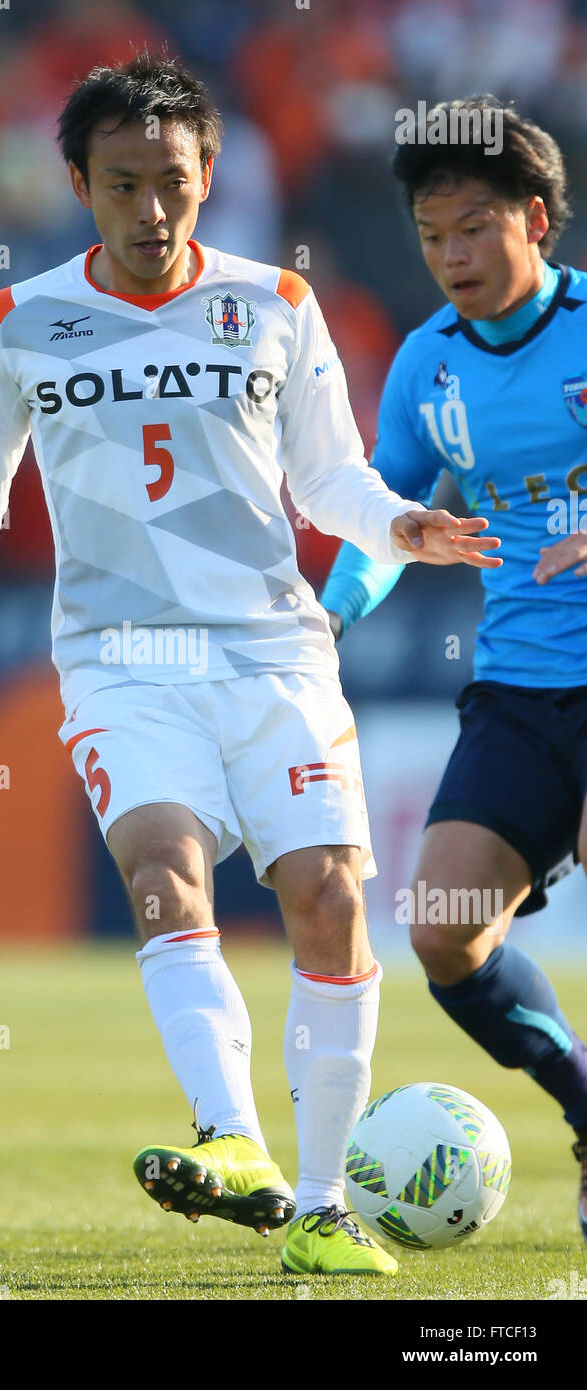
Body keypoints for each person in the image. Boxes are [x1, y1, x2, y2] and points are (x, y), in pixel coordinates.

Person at [0, 55, 500, 1276]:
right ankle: (232, 1138)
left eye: (176, 184)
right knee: (162, 866)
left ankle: (318, 1206)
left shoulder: (276, 304)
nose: (152, 211)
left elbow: (327, 478)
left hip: (270, 653)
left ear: (210, 179)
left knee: (333, 900)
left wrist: (393, 524)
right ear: (79, 186)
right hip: (118, 659)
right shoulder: (18, 322)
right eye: (125, 185)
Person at [322, 96, 587, 1241]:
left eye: (472, 228)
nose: (449, 257)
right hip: (519, 686)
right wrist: (325, 610)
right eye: (431, 236)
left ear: (534, 218)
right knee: (440, 926)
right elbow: (386, 516)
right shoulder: (424, 364)